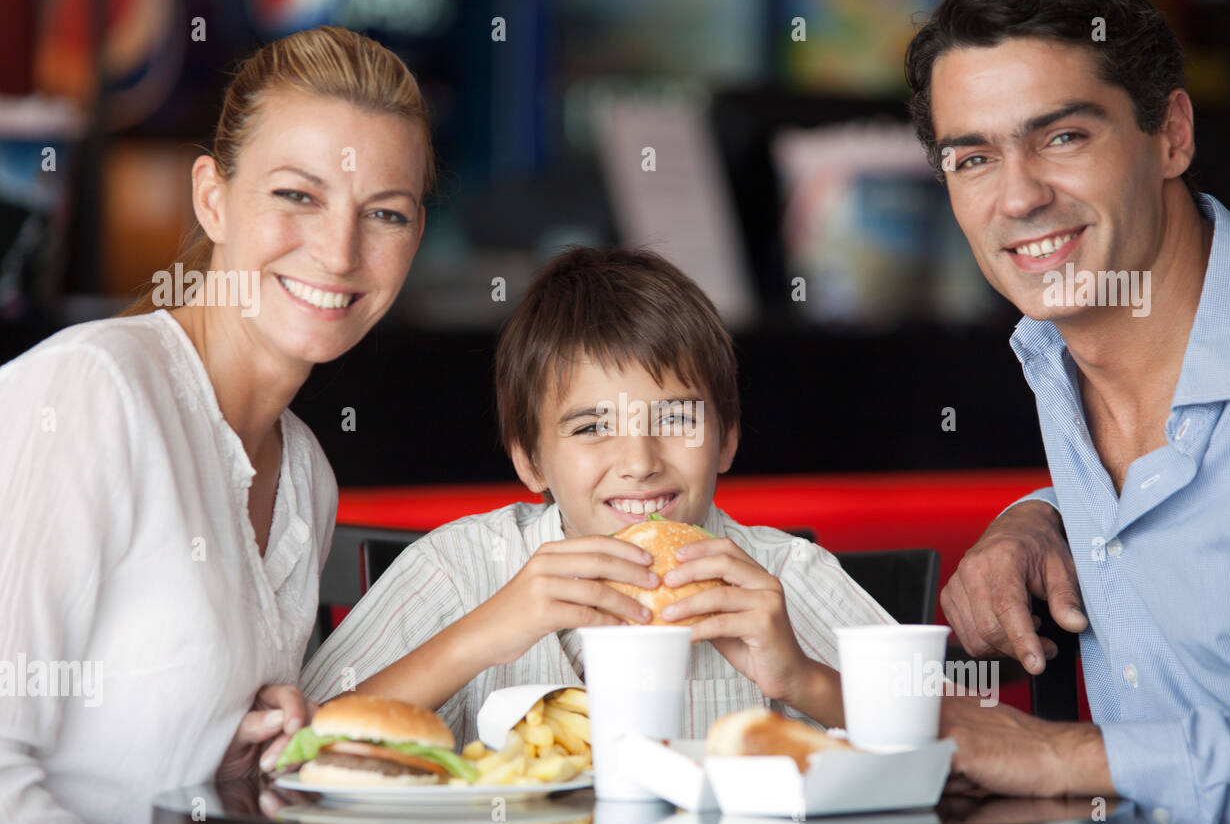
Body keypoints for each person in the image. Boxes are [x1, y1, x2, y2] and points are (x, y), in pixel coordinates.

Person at [0, 25, 432, 824]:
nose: (339, 251)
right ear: (212, 197)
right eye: (296, 196)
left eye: (384, 213)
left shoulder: (307, 472)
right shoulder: (92, 393)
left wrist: (222, 762)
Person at [904, 0, 1230, 824]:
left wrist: (1070, 756)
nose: (1018, 198)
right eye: (972, 158)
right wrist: (1037, 516)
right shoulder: (1057, 360)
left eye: (1062, 137)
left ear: (1173, 135)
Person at [301, 247, 894, 743]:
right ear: (530, 460)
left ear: (726, 441)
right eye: (591, 427)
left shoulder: (784, 576)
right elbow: (295, 748)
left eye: (675, 419)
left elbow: (955, 741)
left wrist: (802, 680)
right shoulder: (461, 571)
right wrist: (478, 636)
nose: (638, 463)